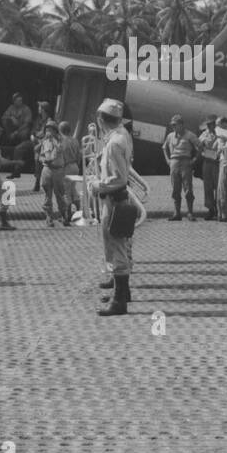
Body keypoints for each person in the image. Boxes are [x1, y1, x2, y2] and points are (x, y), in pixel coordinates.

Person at [94, 99, 136, 317]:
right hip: (119, 198)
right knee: (119, 246)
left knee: (116, 249)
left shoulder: (113, 143)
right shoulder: (122, 135)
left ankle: (119, 301)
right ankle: (123, 293)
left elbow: (117, 179)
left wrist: (96, 185)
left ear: (101, 120)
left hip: (114, 199)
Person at [162, 114, 200, 220]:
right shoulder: (170, 136)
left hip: (185, 162)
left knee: (188, 188)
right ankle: (177, 213)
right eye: (173, 125)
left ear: (181, 125)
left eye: (176, 125)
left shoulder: (190, 135)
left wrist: (195, 159)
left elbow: (200, 147)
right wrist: (168, 160)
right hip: (174, 162)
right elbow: (164, 147)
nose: (174, 127)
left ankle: (190, 212)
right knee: (175, 188)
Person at [36, 121, 70, 227]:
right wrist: (43, 160)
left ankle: (64, 216)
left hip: (58, 171)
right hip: (47, 170)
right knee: (47, 195)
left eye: (50, 129)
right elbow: (40, 156)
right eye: (46, 130)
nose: (47, 132)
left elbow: (60, 149)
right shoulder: (45, 142)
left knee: (60, 194)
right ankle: (49, 217)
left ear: (55, 131)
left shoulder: (61, 140)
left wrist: (54, 140)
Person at [197, 117, 220, 220]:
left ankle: (220, 208)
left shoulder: (220, 133)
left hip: (217, 162)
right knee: (208, 186)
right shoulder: (204, 134)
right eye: (209, 124)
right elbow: (198, 145)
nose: (210, 126)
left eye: (212, 124)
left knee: (218, 186)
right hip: (208, 161)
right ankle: (211, 209)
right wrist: (202, 152)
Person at [59, 122, 82, 215]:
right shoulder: (75, 140)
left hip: (66, 166)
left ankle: (67, 214)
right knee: (72, 188)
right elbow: (79, 155)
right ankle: (78, 209)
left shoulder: (61, 142)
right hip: (75, 166)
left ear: (60, 130)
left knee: (66, 191)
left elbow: (62, 156)